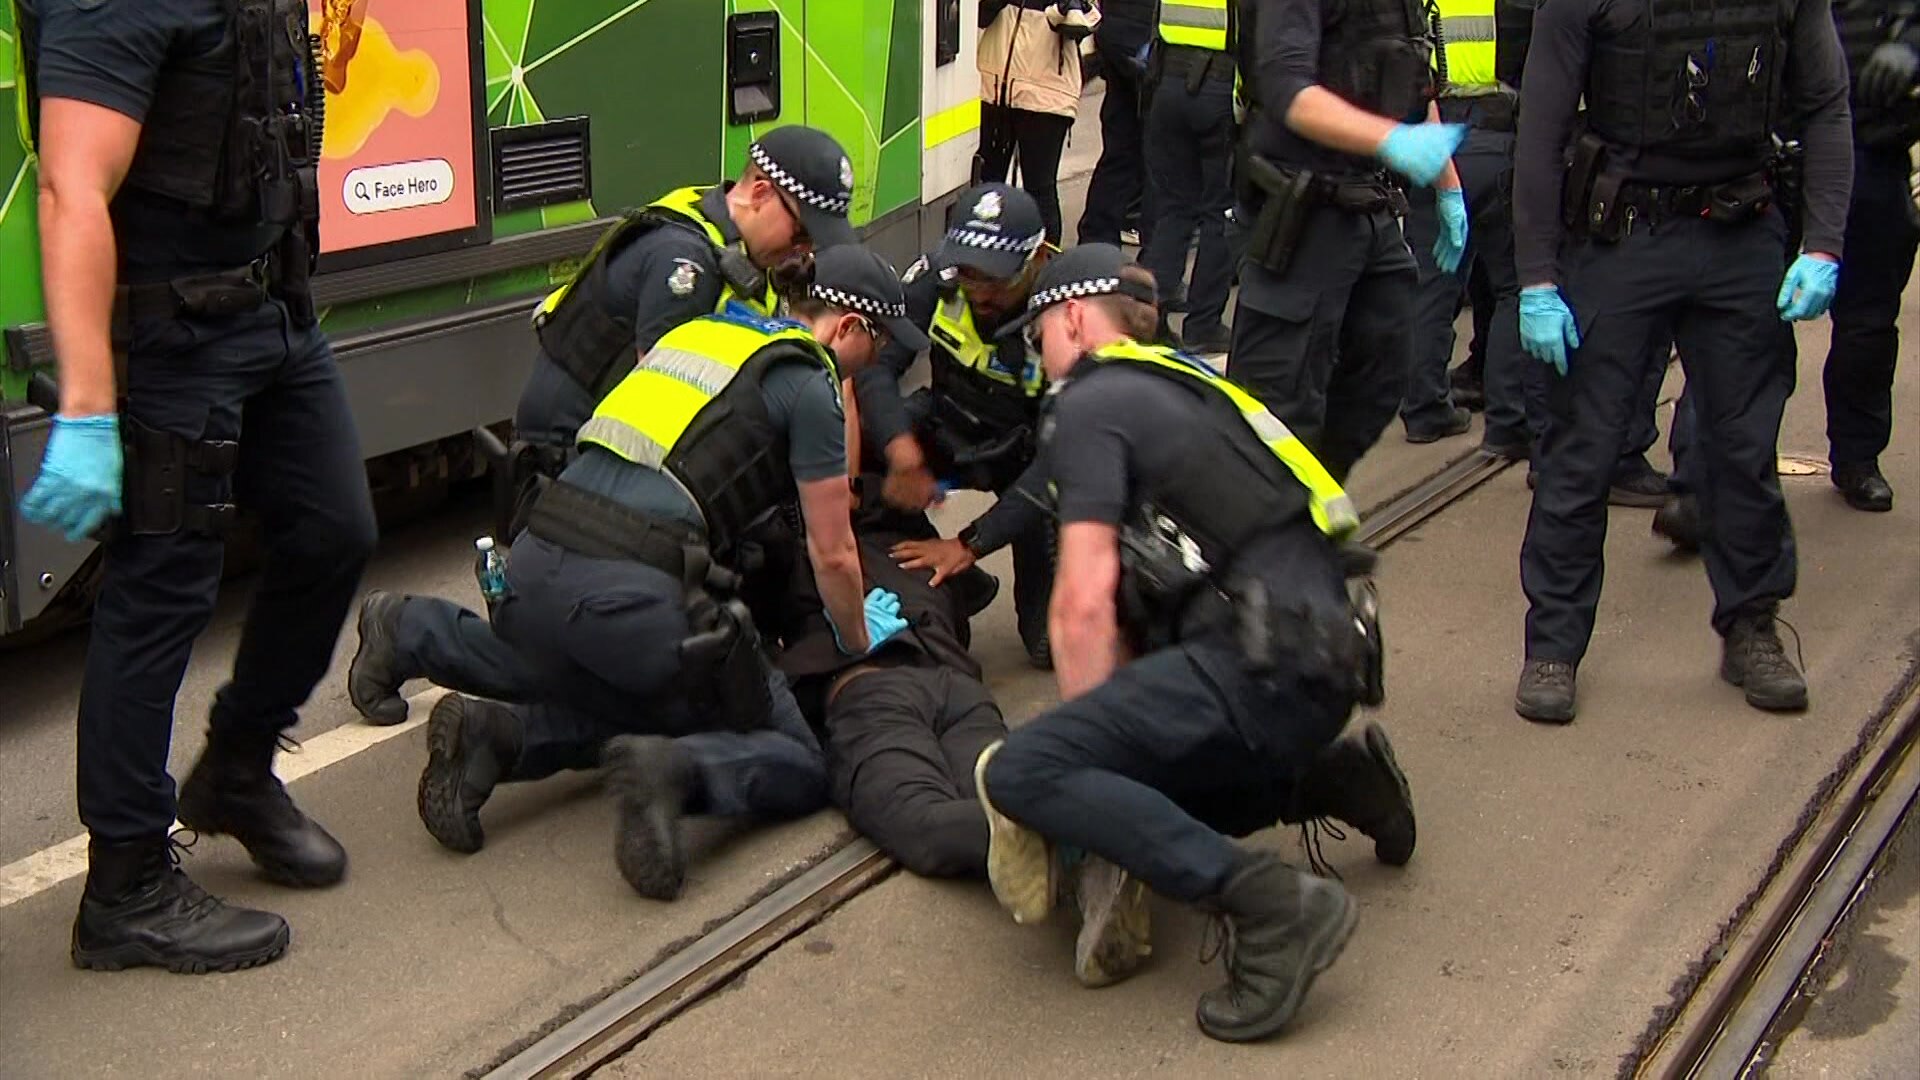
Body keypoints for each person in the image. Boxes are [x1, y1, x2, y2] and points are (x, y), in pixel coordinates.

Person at [16, 0, 380, 972]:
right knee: (160, 595)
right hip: (175, 339)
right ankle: (125, 886)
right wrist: (90, 409)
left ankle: (236, 768)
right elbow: (71, 188)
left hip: (272, 309)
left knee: (335, 529)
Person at [973, 245, 1416, 1032]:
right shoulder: (1189, 388)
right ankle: (1339, 781)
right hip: (1316, 663)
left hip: (1253, 661)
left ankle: (1274, 908)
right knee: (1158, 792)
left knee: (1028, 771)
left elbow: (1082, 601)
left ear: (1074, 317)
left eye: (1039, 331)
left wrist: (1087, 747)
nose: (1038, 354)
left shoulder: (1091, 402)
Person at [415, 247, 927, 900]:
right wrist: (859, 641)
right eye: (879, 346)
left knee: (635, 700)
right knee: (798, 760)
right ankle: (679, 775)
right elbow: (834, 554)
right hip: (630, 596)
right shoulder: (809, 383)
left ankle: (497, 736)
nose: (876, 364)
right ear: (850, 327)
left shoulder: (702, 331)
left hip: (532, 569)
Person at [346, 125, 861, 726]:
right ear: (763, 193)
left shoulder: (717, 235)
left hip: (596, 452)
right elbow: (670, 404)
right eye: (801, 230)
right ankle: (410, 630)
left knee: (615, 658)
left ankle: (422, 638)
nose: (802, 251)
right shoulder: (685, 263)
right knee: (595, 668)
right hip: (572, 456)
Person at [1511, 0, 1855, 724]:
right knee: (1581, 451)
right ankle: (1553, 648)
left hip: (1740, 229)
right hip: (1621, 234)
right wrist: (1537, 278)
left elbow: (1826, 105)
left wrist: (1822, 245)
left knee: (1742, 447)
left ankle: (1752, 628)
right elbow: (1540, 133)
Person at [1226, 0, 1471, 481]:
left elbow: (1413, 77)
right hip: (1302, 212)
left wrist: (1449, 185)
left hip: (1369, 203)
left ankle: (1312, 503)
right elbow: (1286, 86)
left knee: (1382, 372)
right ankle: (1269, 530)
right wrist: (1391, 140)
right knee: (1277, 401)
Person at [856, 183, 1059, 667]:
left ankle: (1017, 594)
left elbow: (1066, 456)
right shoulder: (938, 281)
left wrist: (970, 543)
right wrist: (902, 452)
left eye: (995, 278)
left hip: (1032, 451)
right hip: (950, 422)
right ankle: (954, 583)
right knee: (861, 447)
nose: (979, 290)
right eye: (969, 273)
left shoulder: (1064, 315)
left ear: (1038, 258)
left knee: (1051, 648)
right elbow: (874, 366)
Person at [1136, 0, 1239, 355]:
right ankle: (1204, 324)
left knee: (1174, 208)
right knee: (1219, 213)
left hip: (1168, 84)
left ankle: (1149, 318)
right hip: (1220, 90)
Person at [978, 0, 1101, 245]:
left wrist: (1062, 10)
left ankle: (1046, 267)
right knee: (988, 184)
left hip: (1047, 96)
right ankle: (984, 263)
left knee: (1040, 188)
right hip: (995, 88)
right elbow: (978, 15)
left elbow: (1090, 19)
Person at [1076, 0, 1158, 250]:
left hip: (1118, 36)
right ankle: (1153, 257)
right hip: (1146, 43)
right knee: (1158, 160)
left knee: (1121, 151)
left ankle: (1097, 240)